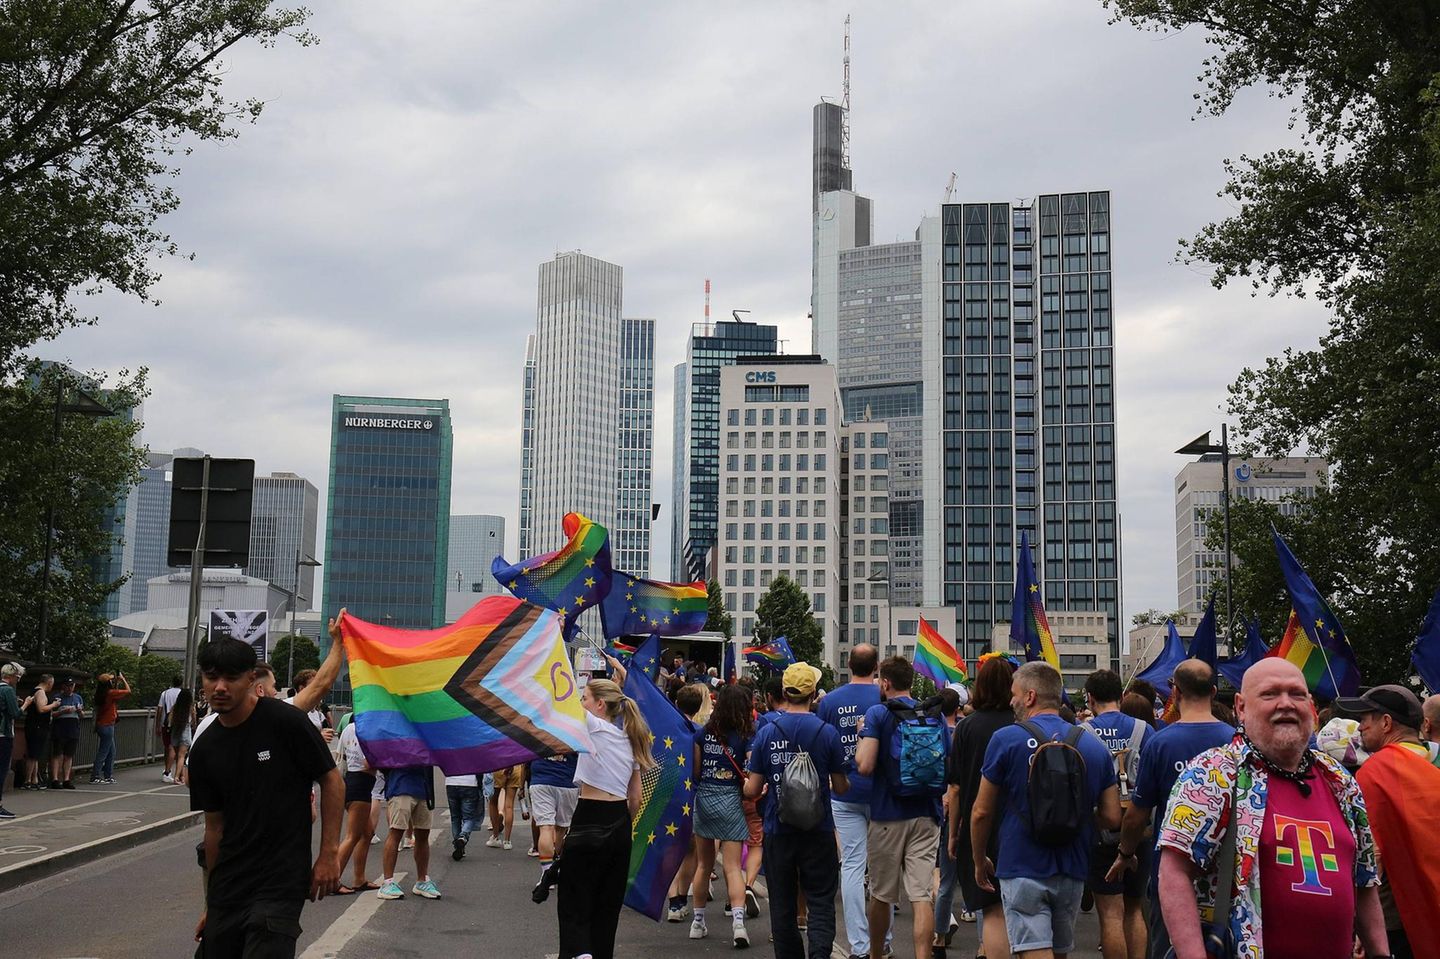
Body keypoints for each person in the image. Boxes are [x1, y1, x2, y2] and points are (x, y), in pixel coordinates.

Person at [1156, 659, 1388, 959]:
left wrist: (1381, 953)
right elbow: (1174, 873)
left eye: (1297, 694)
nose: (1286, 703)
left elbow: (1365, 880)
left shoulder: (1339, 780)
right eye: (1270, 694)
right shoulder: (1213, 772)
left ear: (1311, 706)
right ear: (1241, 707)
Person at [187, 638, 342, 958]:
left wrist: (329, 854)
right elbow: (214, 828)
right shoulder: (204, 749)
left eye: (230, 678)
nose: (219, 687)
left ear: (250, 679)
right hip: (229, 885)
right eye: (211, 677)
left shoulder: (285, 722)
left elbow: (332, 780)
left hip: (280, 880)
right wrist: (212, 904)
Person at [972, 661, 1119, 959]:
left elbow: (981, 811)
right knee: (1060, 951)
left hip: (1021, 863)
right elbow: (1112, 817)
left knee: (1033, 950)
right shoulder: (1092, 746)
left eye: (1014, 694)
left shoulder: (1006, 739)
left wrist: (978, 859)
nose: (1011, 701)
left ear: (1030, 696)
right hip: (1072, 865)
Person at [1105, 659, 1233, 959]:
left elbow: (1137, 814)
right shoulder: (1235, 741)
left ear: (1175, 692)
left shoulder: (1161, 743)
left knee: (1170, 945)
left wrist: (1125, 853)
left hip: (1173, 869)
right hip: (1228, 871)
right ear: (1214, 692)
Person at [743, 662, 849, 959]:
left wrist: (751, 785)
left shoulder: (767, 732)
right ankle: (819, 954)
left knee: (782, 906)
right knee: (821, 901)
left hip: (779, 830)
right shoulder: (827, 732)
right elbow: (841, 787)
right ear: (813, 694)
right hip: (819, 829)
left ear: (784, 692)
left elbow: (752, 789)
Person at [554, 658, 654, 959]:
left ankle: (579, 952)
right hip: (620, 823)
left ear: (599, 705)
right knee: (607, 906)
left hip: (589, 816)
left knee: (574, 898)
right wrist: (621, 677)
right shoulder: (631, 739)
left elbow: (560, 698)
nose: (581, 703)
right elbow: (636, 798)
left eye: (585, 698)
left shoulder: (591, 726)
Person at [1338, 684, 1440, 956]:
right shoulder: (1433, 761)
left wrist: (1363, 924)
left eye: (1364, 719)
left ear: (1386, 723)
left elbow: (1372, 854)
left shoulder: (1376, 771)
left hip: (1396, 913)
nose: (1360, 727)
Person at [855, 655, 945, 959]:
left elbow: (865, 765)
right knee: (921, 895)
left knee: (881, 894)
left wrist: (862, 734)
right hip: (927, 813)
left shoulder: (879, 713)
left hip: (887, 815)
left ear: (885, 683)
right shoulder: (932, 714)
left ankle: (876, 954)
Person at [816, 643, 885, 959]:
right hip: (881, 791)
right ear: (876, 666)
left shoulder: (830, 701)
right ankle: (883, 941)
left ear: (848, 664)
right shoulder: (884, 697)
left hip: (843, 790)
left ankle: (860, 944)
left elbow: (822, 744)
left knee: (853, 865)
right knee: (882, 869)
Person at [947, 656, 1016, 959]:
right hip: (1017, 826)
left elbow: (956, 787)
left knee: (992, 911)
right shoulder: (1021, 724)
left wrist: (953, 833)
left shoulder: (967, 728)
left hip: (979, 829)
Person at [1080, 668, 1150, 959]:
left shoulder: (1083, 733)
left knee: (1110, 913)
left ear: (1090, 698)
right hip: (1140, 828)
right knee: (1134, 909)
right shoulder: (1144, 729)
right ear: (1121, 695)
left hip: (1100, 829)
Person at [691, 683, 756, 946]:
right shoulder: (746, 735)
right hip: (731, 798)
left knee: (703, 865)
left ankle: (697, 922)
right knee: (732, 867)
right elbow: (751, 769)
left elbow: (696, 772)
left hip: (705, 797)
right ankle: (738, 924)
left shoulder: (702, 734)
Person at [376, 764, 440, 900]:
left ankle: (422, 880)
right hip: (401, 786)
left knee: (423, 835)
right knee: (396, 833)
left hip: (423, 788)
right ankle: (387, 882)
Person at [334, 713, 379, 894]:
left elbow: (341, 756)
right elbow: (369, 763)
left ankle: (359, 879)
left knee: (367, 833)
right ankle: (332, 880)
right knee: (352, 836)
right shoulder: (369, 731)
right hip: (361, 784)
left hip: (350, 781)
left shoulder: (349, 728)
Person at [529, 749, 579, 883]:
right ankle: (554, 868)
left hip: (541, 778)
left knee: (545, 828)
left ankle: (547, 873)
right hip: (567, 780)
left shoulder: (539, 734)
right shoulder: (574, 734)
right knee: (561, 829)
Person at [90, 671, 130, 784]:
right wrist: (123, 679)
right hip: (107, 725)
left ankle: (108, 775)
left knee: (111, 751)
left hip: (102, 725)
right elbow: (128, 691)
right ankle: (95, 776)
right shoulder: (110, 693)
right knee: (103, 752)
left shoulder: (100, 694)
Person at [21, 673, 59, 788]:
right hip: (37, 726)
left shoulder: (34, 691)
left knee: (35, 753)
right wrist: (54, 705)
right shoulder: (40, 692)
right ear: (49, 682)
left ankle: (35, 779)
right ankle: (27, 780)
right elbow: (41, 708)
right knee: (33, 754)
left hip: (34, 725)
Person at [48, 677, 84, 789]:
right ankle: (55, 778)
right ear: (63, 686)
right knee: (57, 754)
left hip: (73, 727)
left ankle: (66, 779)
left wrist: (79, 711)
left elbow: (82, 715)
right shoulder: (57, 698)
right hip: (60, 727)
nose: (69, 688)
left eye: (71, 686)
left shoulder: (78, 698)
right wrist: (63, 711)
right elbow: (51, 714)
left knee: (69, 754)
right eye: (67, 686)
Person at [0, 662, 23, 818]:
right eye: (17, 677)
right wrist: (25, 704)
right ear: (12, 676)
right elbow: (15, 713)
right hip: (4, 733)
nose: (17, 680)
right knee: (2, 769)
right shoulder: (7, 690)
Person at [445, 772, 482, 862]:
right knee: (469, 818)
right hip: (470, 783)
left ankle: (458, 844)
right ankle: (463, 837)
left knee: (455, 817)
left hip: (451, 782)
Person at [487, 762, 524, 850]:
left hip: (497, 766)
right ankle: (507, 841)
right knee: (509, 806)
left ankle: (495, 837)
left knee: (493, 802)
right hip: (516, 767)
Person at [168, 687, 196, 786]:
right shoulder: (190, 707)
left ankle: (182, 776)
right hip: (185, 730)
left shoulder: (175, 707)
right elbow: (193, 720)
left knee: (178, 756)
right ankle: (176, 777)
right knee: (182, 756)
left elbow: (170, 719)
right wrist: (193, 725)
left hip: (175, 731)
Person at [158, 674, 183, 783]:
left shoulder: (165, 693)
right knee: (176, 748)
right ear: (181, 683)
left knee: (167, 746)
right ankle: (171, 772)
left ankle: (166, 768)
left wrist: (158, 725)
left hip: (165, 723)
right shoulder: (182, 694)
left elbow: (159, 709)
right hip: (178, 723)